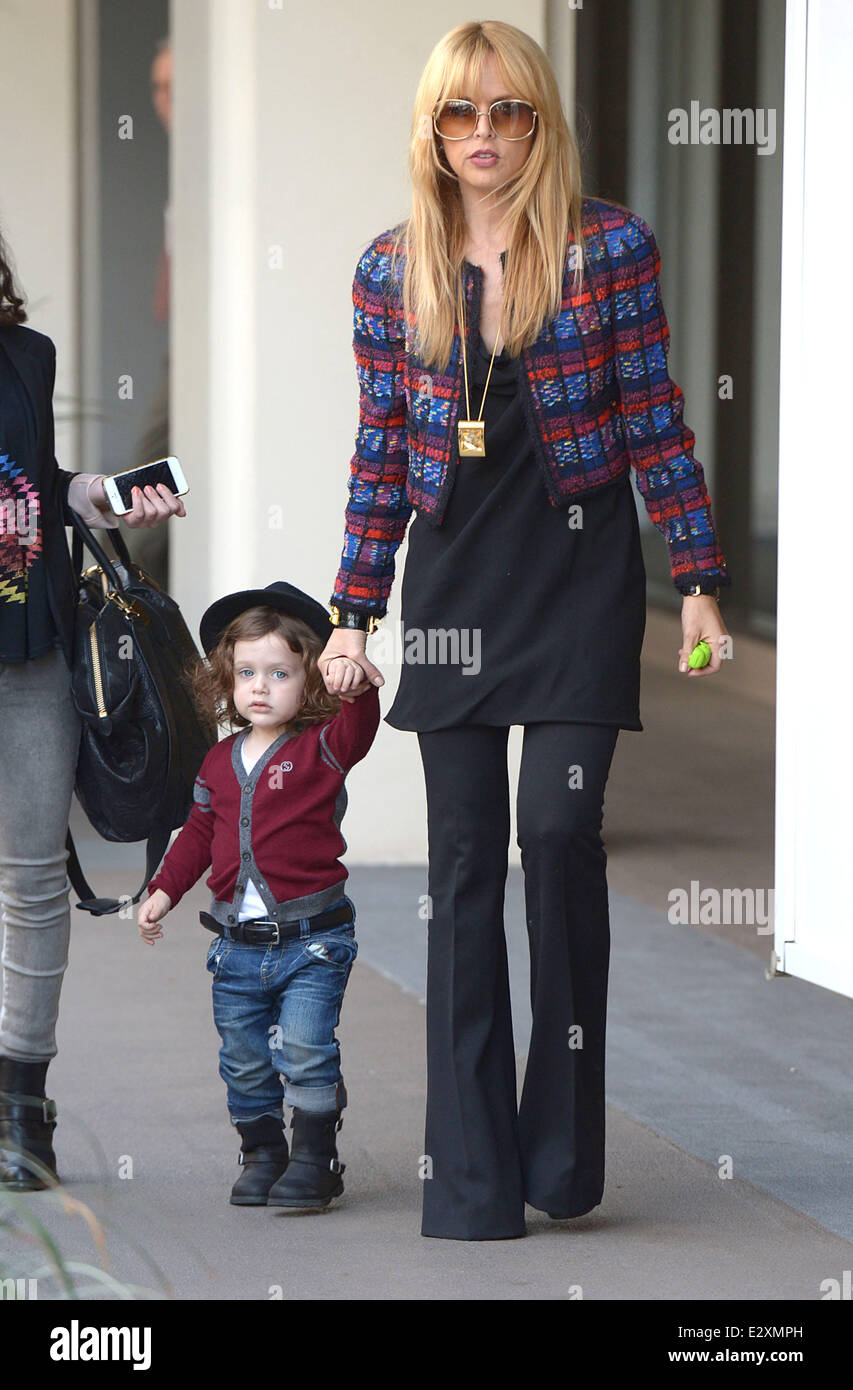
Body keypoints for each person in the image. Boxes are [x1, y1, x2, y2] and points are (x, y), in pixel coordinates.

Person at [320, 20, 732, 1241]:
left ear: (541, 124)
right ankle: (474, 1176)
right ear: (432, 128)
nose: (485, 135)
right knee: (460, 867)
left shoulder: (607, 248)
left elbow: (657, 419)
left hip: (577, 577)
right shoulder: (388, 270)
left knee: (554, 835)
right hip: (451, 592)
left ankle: (558, 1153)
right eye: (461, 114)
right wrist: (350, 612)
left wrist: (699, 579)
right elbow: (382, 455)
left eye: (509, 113)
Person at [0, 225, 184, 1191]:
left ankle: (22, 1111)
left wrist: (107, 497)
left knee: (30, 880)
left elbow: (37, 486)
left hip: (27, 648)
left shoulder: (26, 355)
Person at [138, 584, 381, 1209]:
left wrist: (355, 680)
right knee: (244, 1060)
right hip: (236, 952)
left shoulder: (322, 746)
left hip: (313, 941)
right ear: (227, 678)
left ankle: (313, 1158)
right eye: (247, 672)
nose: (261, 687)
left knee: (305, 1048)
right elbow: (198, 834)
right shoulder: (219, 760)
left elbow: (358, 727)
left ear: (311, 681)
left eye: (279, 673)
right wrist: (163, 890)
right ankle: (263, 1150)